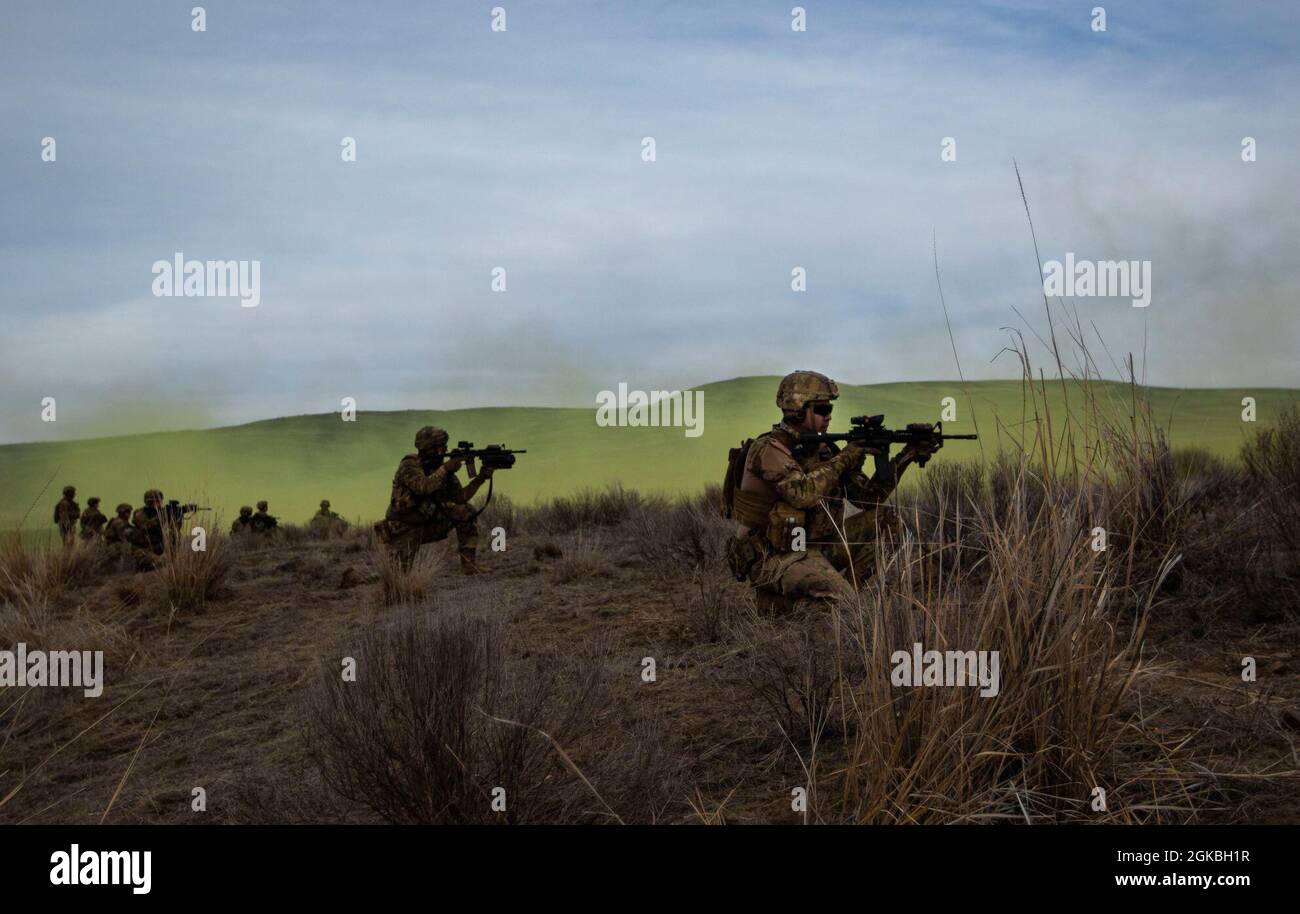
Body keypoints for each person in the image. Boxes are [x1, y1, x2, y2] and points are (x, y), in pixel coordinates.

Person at [725, 370, 936, 611]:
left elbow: (868, 499)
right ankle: (805, 602)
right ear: (797, 408)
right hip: (776, 555)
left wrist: (907, 456)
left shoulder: (825, 450)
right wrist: (847, 456)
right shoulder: (767, 450)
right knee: (847, 606)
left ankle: (841, 598)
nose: (829, 416)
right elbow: (802, 493)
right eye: (822, 410)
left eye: (830, 410)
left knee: (888, 520)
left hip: (815, 547)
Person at [377, 426, 494, 573]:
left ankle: (469, 565)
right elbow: (423, 487)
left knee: (467, 512)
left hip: (427, 523)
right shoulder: (409, 465)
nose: (445, 450)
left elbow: (460, 497)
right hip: (403, 529)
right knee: (397, 576)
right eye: (441, 447)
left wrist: (481, 478)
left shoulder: (440, 468)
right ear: (431, 448)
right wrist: (445, 469)